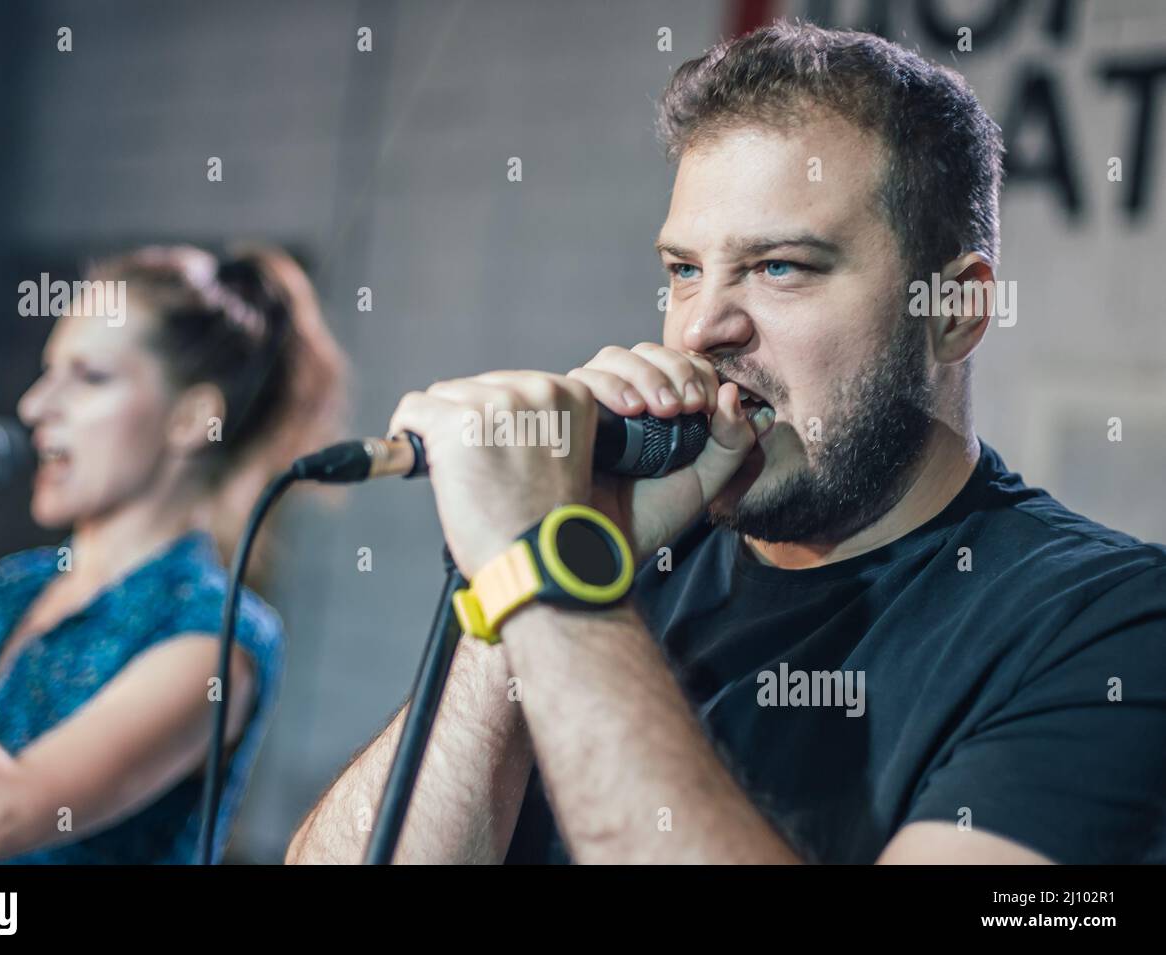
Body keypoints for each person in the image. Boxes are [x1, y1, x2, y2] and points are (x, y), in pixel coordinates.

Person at [286, 22, 1166, 865]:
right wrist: (530, 578)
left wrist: (552, 584)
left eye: (780, 266)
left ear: (955, 310)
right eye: (683, 270)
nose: (702, 327)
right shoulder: (611, 549)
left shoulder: (1108, 626)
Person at [0, 244, 345, 863]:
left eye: (88, 376)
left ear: (193, 418)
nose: (36, 407)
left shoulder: (214, 640)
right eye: (47, 371)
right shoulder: (10, 591)